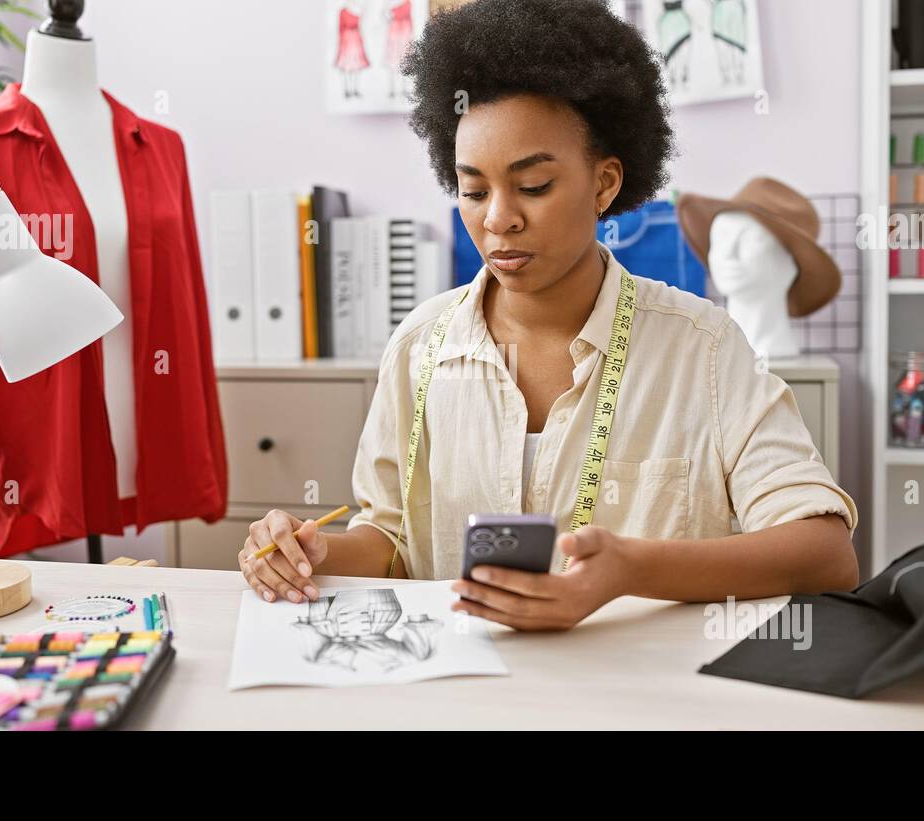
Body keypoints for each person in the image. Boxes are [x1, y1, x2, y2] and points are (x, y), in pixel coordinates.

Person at [240, 0, 858, 631]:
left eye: (532, 187)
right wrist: (311, 552)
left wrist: (632, 571)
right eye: (473, 191)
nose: (498, 218)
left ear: (605, 183)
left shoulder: (702, 350)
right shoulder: (420, 347)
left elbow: (825, 553)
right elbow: (390, 542)